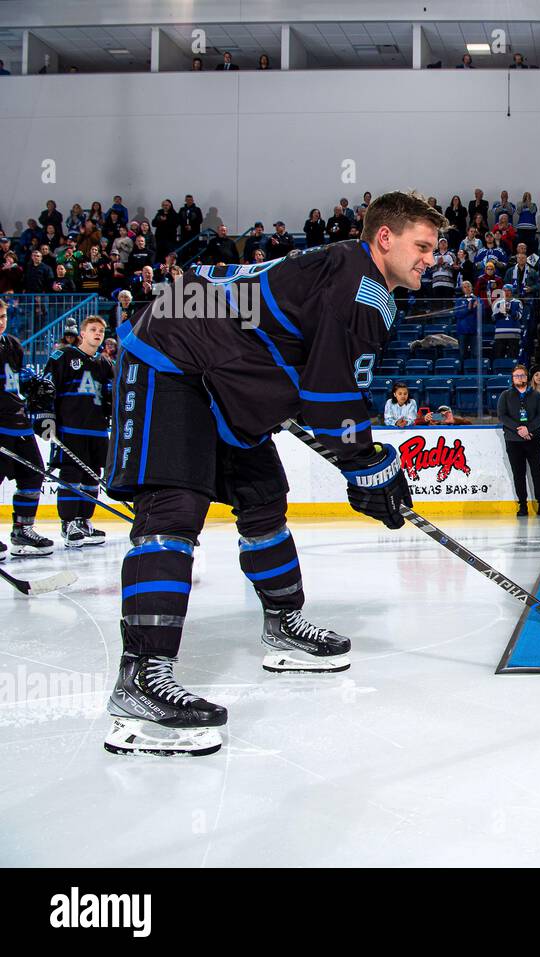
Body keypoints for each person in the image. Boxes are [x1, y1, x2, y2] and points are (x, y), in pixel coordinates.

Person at [100, 191, 446, 757]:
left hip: (223, 372)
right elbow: (331, 397)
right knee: (174, 508)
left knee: (263, 498)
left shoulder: (337, 268)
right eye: (422, 246)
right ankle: (140, 679)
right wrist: (369, 466)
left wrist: (363, 462)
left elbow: (219, 279)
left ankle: (282, 626)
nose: (431, 259)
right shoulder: (361, 290)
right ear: (385, 238)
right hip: (170, 358)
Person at [43, 314, 114, 547]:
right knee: (71, 473)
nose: (97, 334)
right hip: (71, 426)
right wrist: (46, 417)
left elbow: (111, 396)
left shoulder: (105, 364)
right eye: (93, 329)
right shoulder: (63, 356)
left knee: (93, 475)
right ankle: (68, 523)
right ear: (82, 333)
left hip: (97, 428)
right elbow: (47, 387)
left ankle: (84, 521)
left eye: (101, 331)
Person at [0, 300, 56, 558]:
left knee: (33, 474)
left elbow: (17, 376)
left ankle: (23, 530)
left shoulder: (11, 344)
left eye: (3, 316)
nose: (1, 321)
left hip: (17, 420)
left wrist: (33, 386)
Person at [498, 364, 540, 517]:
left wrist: (529, 429)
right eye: (516, 376)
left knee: (538, 473)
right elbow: (502, 416)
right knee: (518, 474)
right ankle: (523, 505)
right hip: (513, 441)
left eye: (522, 375)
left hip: (533, 440)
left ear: (527, 377)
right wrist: (519, 429)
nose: (519, 378)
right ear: (512, 379)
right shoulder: (505, 395)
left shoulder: (537, 395)